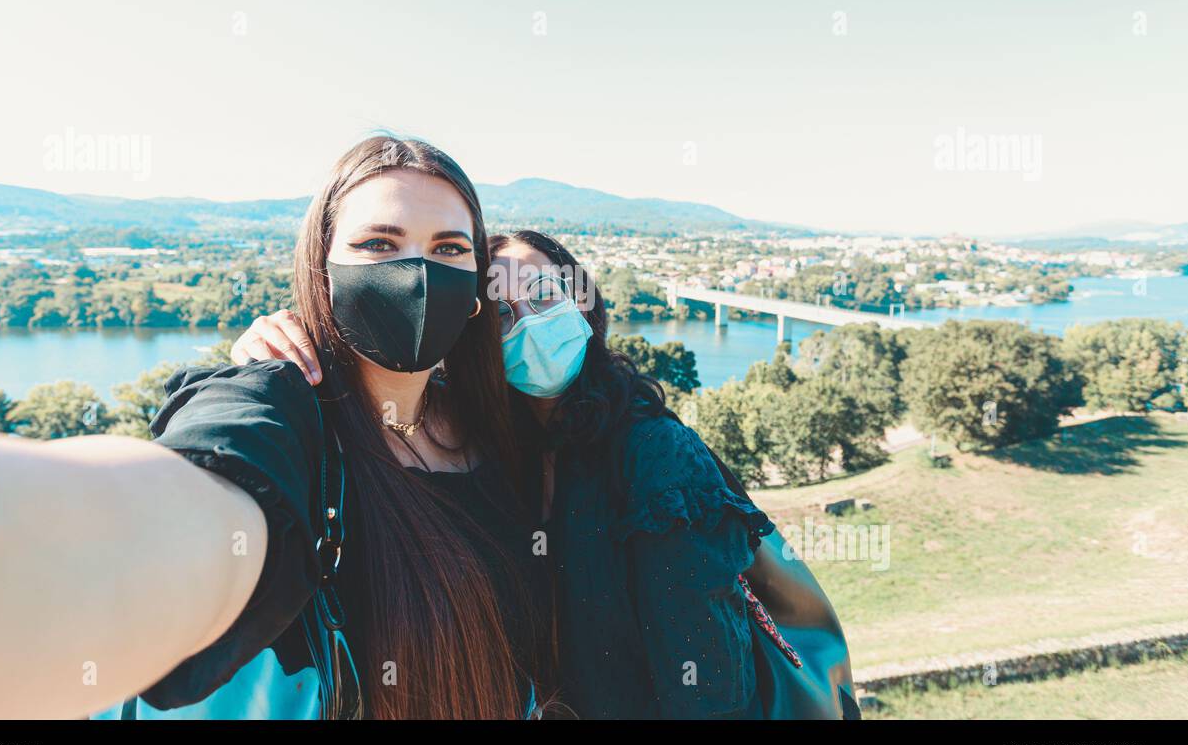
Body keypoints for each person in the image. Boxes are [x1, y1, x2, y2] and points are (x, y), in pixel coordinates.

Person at [0, 135, 552, 720]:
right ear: (322, 271)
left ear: (474, 293)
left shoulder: (503, 434)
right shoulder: (281, 416)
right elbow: (191, 506)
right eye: (378, 243)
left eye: (449, 248)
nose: (416, 272)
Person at [234, 229, 849, 717]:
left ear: (583, 302)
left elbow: (710, 687)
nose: (527, 321)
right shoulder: (492, 452)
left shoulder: (655, 456)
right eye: (501, 314)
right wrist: (274, 352)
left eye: (545, 296)